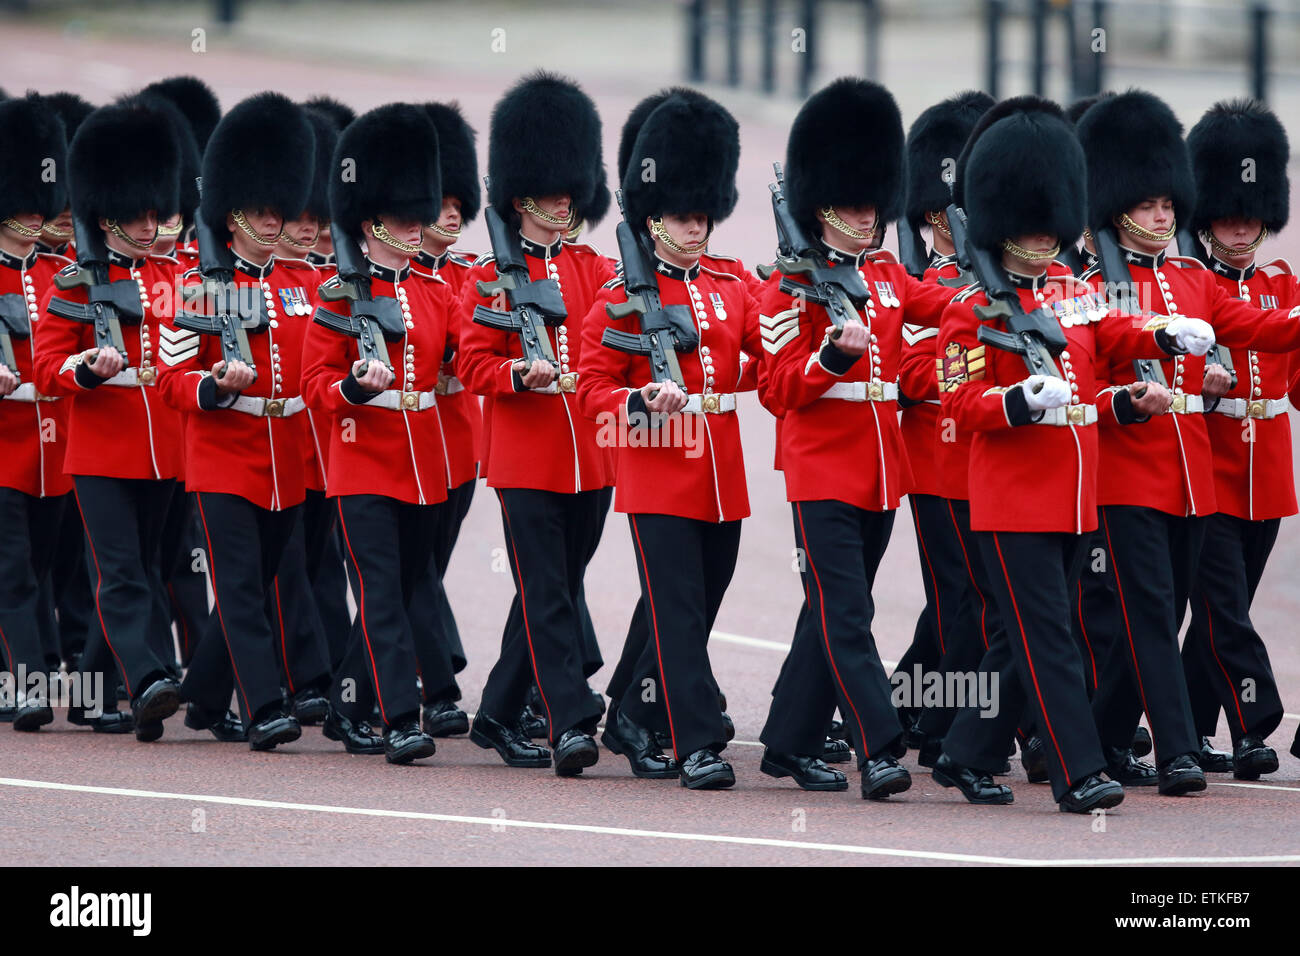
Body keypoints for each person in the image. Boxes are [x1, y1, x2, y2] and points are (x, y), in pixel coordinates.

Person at [932, 96, 1217, 812]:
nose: (1043, 238)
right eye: (1029, 226)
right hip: (1013, 501)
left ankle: (966, 752)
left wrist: (1165, 337)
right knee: (1051, 639)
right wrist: (1019, 402)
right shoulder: (969, 309)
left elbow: (1115, 336)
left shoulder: (1070, 291)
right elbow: (962, 406)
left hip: (1073, 497)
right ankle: (1078, 769)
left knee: (1018, 645)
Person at [1076, 90, 1300, 794]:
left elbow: (1257, 327)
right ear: (1116, 209)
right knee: (1149, 613)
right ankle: (1178, 748)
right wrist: (1160, 337)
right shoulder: (1095, 287)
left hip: (1191, 477)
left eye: (1169, 205)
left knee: (1165, 611)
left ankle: (1104, 733)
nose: (1164, 215)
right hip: (1125, 474)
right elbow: (1105, 349)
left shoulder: (1192, 278)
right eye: (1148, 207)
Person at [754, 78, 960, 797]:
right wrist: (830, 357)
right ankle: (879, 745)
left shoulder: (886, 275)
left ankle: (785, 742)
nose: (869, 218)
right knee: (848, 615)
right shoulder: (788, 287)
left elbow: (947, 301)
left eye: (875, 205)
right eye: (853, 206)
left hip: (881, 473)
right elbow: (777, 390)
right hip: (820, 475)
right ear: (820, 206)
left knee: (831, 613)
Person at [578, 88, 759, 789]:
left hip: (721, 471)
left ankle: (626, 709)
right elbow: (593, 389)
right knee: (679, 617)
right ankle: (696, 743)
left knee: (688, 609)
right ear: (652, 219)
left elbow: (755, 365)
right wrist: (639, 400)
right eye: (683, 215)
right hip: (658, 470)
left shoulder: (729, 285)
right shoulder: (622, 297)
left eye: (702, 214)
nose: (696, 226)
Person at [459, 72, 614, 776]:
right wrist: (519, 374)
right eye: (551, 190)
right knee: (548, 589)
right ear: (521, 195)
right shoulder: (490, 276)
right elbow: (473, 364)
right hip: (524, 454)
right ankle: (571, 720)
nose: (564, 200)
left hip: (594, 456)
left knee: (554, 589)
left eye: (570, 189)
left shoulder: (599, 270)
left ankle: (494, 713)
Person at [158, 92, 322, 749]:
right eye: (264, 211)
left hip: (287, 452)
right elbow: (172, 378)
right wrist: (211, 386)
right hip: (224, 453)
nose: (278, 221)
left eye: (280, 209)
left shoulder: (302, 284)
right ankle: (265, 706)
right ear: (234, 215)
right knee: (244, 588)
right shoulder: (199, 285)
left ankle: (201, 697)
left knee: (253, 584)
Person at [301, 102, 449, 764]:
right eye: (401, 218)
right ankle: (401, 717)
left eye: (418, 215)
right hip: (361, 463)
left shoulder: (437, 292)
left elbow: (459, 361)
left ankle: (345, 703)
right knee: (382, 593)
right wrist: (355, 387)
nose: (415, 227)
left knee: (406, 589)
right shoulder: (336, 296)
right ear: (370, 222)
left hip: (423, 464)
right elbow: (314, 385)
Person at [33, 97, 187, 738]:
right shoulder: (72, 283)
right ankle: (148, 677)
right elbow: (46, 369)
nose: (150, 227)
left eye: (155, 213)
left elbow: (199, 345)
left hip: (165, 449)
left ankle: (99, 693)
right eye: (136, 216)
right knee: (121, 572)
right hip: (99, 450)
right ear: (107, 214)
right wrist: (87, 371)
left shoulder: (178, 277)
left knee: (147, 570)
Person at [1181, 98, 1297, 780]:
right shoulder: (1189, 288)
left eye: (1253, 211)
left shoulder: (1284, 286)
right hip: (1209, 470)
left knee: (1226, 614)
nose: (1242, 223)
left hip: (1268, 473)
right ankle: (1256, 727)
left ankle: (1191, 727)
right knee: (1224, 610)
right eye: (1228, 211)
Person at [894, 90, 998, 763]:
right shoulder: (914, 278)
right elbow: (907, 370)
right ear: (935, 216)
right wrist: (970, 378)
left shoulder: (998, 278)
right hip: (934, 453)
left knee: (972, 596)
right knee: (957, 593)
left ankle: (907, 704)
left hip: (993, 453)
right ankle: (945, 730)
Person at [405, 100, 485, 738]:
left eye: (460, 200)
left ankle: (404, 671)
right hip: (393, 441)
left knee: (426, 569)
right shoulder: (386, 281)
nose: (453, 211)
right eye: (440, 199)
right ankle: (435, 683)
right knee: (408, 571)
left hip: (456, 442)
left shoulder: (472, 276)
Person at [0, 94, 75, 731]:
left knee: (42, 567)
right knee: (12, 569)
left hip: (53, 443)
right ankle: (26, 684)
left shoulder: (61, 272)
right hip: (1, 441)